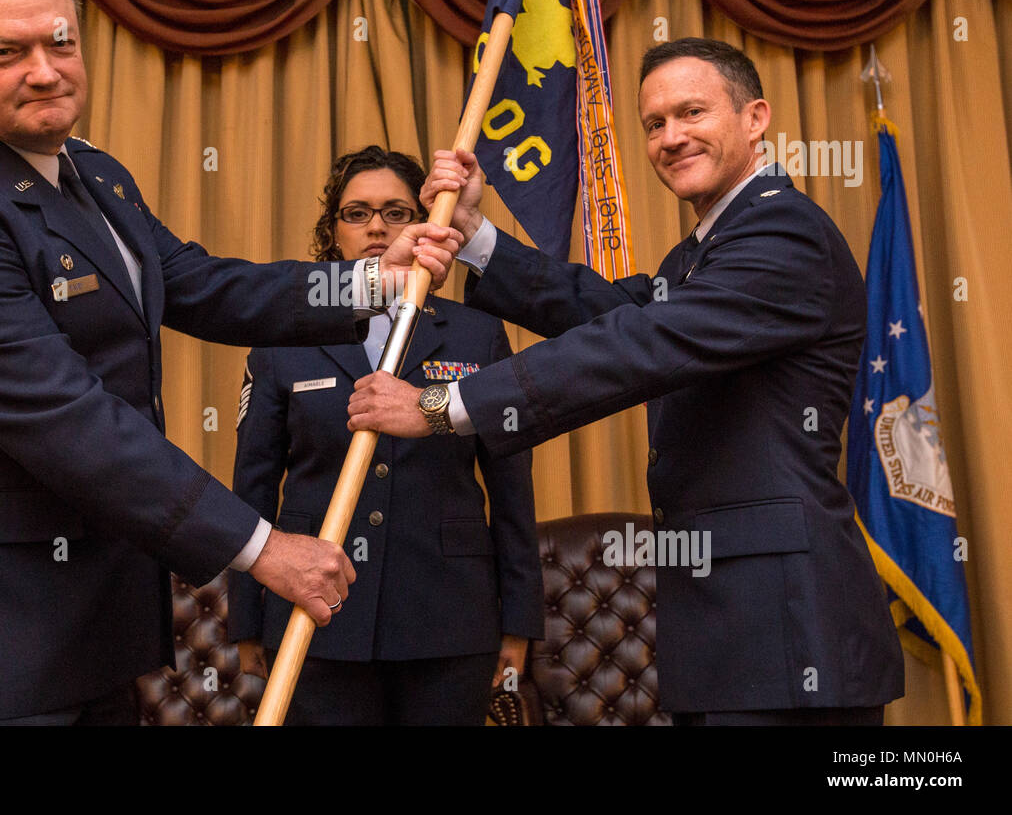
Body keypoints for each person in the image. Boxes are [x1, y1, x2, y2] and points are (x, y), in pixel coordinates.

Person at [0, 0, 462, 725]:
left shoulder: (93, 173)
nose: (44, 69)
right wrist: (264, 548)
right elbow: (71, 422)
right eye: (8, 51)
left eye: (59, 42)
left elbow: (204, 285)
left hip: (92, 630)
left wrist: (377, 278)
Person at [347, 38, 906, 725]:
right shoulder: (700, 254)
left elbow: (641, 342)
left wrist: (444, 405)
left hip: (786, 634)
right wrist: (475, 233)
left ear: (755, 117)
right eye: (654, 124)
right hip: (728, 636)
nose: (671, 138)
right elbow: (608, 311)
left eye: (692, 112)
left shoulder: (783, 234)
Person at [227, 147, 543, 726]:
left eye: (396, 212)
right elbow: (252, 487)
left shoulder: (478, 335)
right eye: (357, 213)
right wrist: (249, 620)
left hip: (450, 618)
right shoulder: (280, 341)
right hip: (317, 619)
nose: (376, 226)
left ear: (426, 223)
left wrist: (518, 621)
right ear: (334, 231)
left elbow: (512, 491)